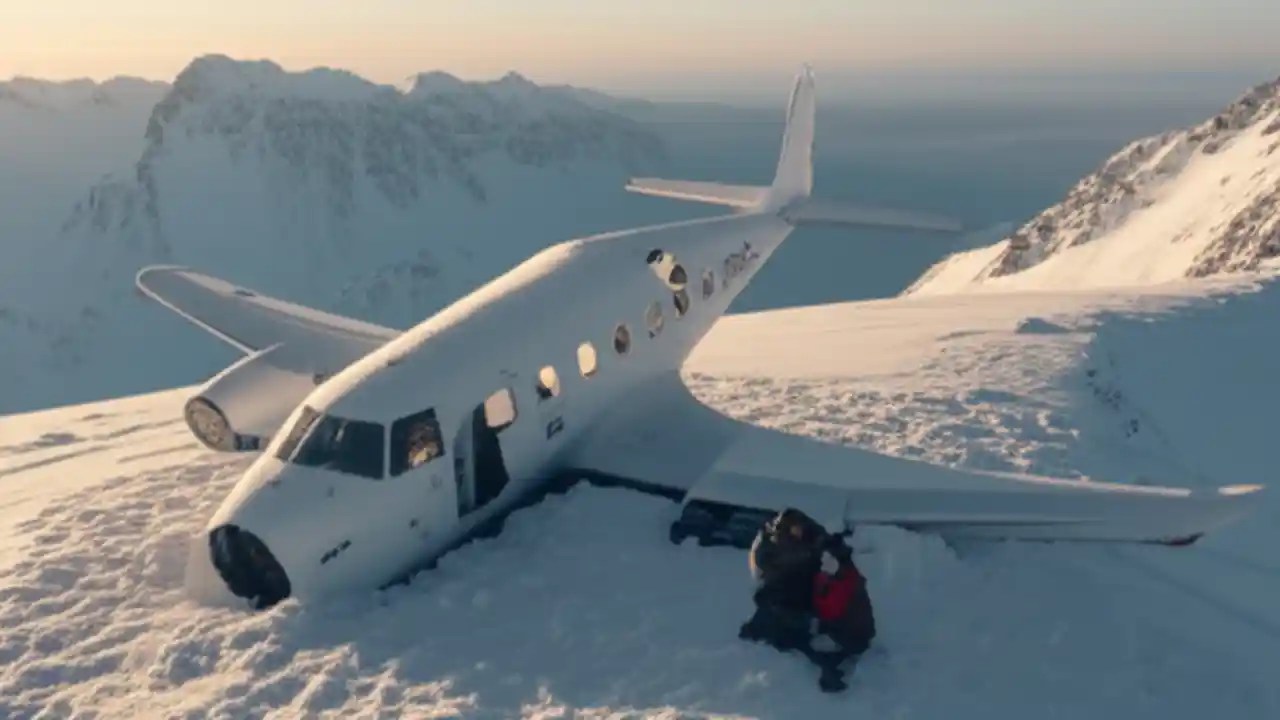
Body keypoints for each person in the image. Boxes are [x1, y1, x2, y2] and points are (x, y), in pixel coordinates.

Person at [738, 508, 827, 654]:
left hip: (803, 586)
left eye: (800, 528)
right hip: (780, 586)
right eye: (795, 528)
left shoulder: (813, 536)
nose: (799, 531)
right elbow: (763, 562)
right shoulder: (772, 540)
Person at [807, 532, 876, 692]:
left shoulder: (846, 581)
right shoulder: (833, 574)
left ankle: (833, 676)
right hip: (844, 626)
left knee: (817, 647)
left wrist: (819, 623)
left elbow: (832, 610)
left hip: (853, 635)